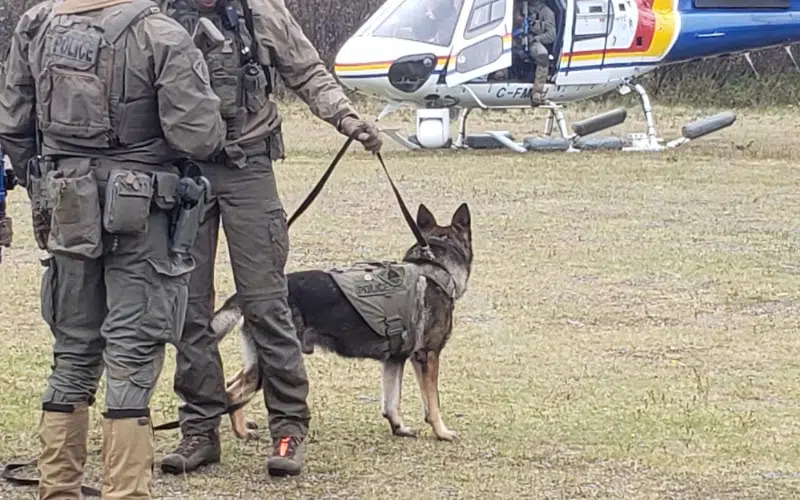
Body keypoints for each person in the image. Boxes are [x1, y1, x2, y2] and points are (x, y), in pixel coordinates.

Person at [0, 0, 226, 497]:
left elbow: (14, 126)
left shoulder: (37, 25)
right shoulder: (161, 34)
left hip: (67, 205)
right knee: (132, 357)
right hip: (144, 217)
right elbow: (199, 136)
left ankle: (57, 489)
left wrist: (54, 182)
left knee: (72, 353)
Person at [157, 0, 382, 479]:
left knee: (266, 304)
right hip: (180, 170)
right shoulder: (158, 14)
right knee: (187, 309)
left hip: (247, 166)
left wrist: (347, 118)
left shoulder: (258, 10)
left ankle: (288, 426)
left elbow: (306, 70)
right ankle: (199, 429)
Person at [521, 0, 556, 105]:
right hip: (514, 38)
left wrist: (537, 38)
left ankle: (537, 92)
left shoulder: (546, 12)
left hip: (532, 42)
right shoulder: (518, 6)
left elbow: (551, 35)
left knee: (542, 55)